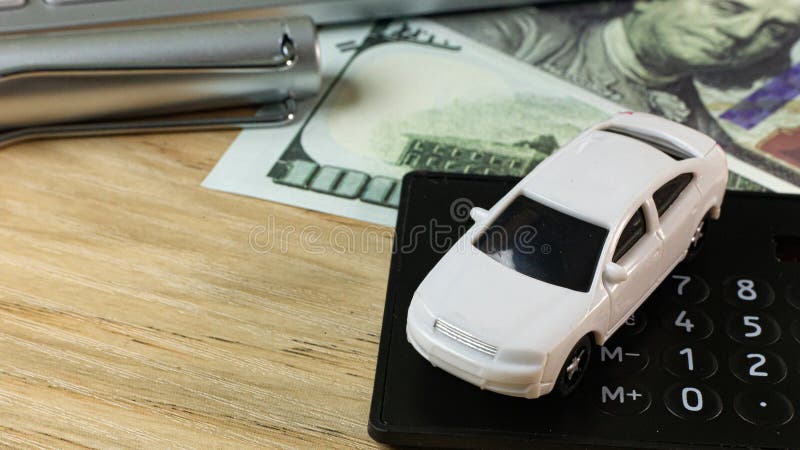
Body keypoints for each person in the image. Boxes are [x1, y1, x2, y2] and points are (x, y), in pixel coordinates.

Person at [439, 0, 800, 182]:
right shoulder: (511, 34)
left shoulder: (707, 141)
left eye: (774, 32)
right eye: (728, 6)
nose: (742, 33)